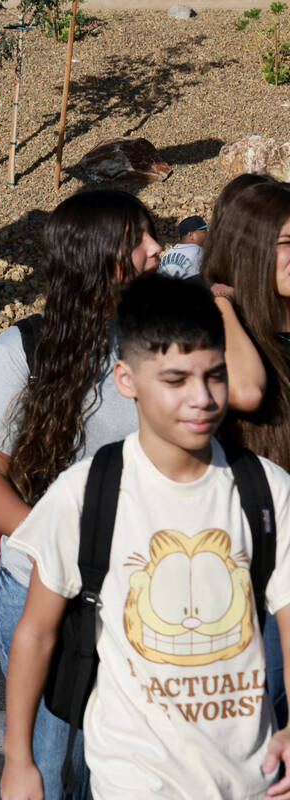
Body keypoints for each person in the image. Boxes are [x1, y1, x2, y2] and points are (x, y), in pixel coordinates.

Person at [0, 189, 265, 799]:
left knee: (135, 771)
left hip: (150, 593)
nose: (157, 249)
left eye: (154, 234)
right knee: (55, 767)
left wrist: (223, 304)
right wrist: (55, 546)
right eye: (138, 238)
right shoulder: (23, 348)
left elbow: (247, 390)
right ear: (97, 254)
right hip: (46, 594)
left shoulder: (161, 344)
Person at [0, 272, 290, 800]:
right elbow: (35, 633)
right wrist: (19, 759)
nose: (201, 398)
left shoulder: (267, 490)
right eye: (175, 380)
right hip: (133, 779)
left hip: (253, 780)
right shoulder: (87, 493)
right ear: (126, 379)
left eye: (215, 376)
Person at [203, 178, 290, 728]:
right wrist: (226, 306)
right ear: (252, 247)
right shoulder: (219, 333)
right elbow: (247, 391)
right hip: (251, 568)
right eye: (286, 242)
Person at [157, 214, 208, 280]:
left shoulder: (168, 253)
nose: (207, 234)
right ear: (191, 235)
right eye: (204, 231)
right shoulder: (198, 251)